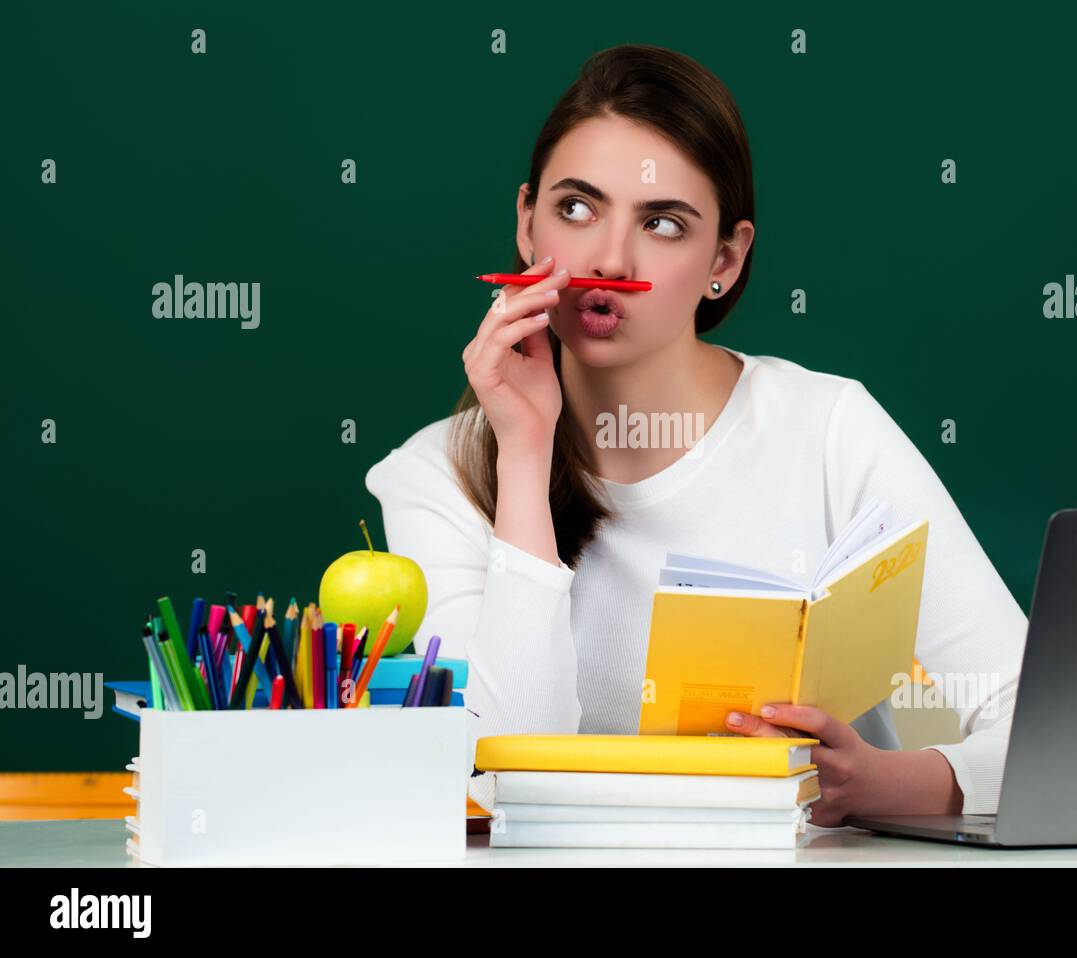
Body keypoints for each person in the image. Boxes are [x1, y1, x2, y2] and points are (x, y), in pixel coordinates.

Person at [365, 44, 1026, 823]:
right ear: (525, 220)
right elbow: (500, 771)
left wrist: (879, 784)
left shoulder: (828, 430)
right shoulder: (434, 474)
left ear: (726, 258)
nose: (608, 259)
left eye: (663, 223)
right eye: (575, 209)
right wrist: (525, 448)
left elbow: (1041, 716)